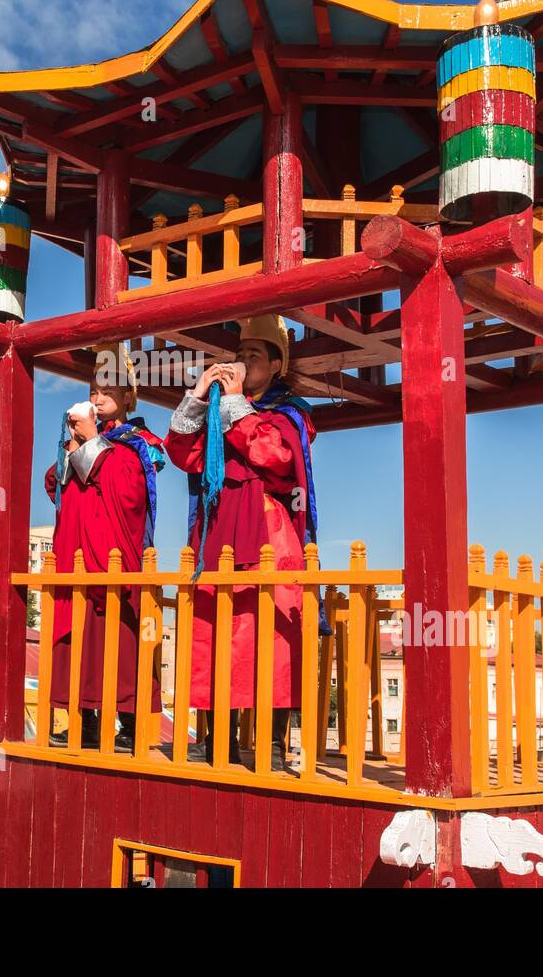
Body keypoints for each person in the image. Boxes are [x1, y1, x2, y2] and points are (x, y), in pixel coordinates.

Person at [164, 315, 317, 770]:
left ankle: (272, 745)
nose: (242, 362)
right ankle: (218, 744)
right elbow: (182, 454)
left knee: (273, 636)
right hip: (219, 531)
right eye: (239, 354)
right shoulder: (221, 409)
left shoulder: (292, 412)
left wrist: (232, 404)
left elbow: (275, 455)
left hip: (270, 533)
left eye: (254, 355)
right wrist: (198, 395)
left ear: (275, 366)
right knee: (213, 635)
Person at [45, 343, 164, 752]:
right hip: (77, 557)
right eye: (94, 390)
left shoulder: (140, 443)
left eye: (108, 391)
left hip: (114, 559)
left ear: (128, 398)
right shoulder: (80, 441)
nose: (98, 399)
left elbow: (127, 490)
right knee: (81, 643)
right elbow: (54, 485)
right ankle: (87, 723)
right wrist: (76, 449)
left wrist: (92, 445)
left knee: (120, 641)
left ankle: (128, 726)